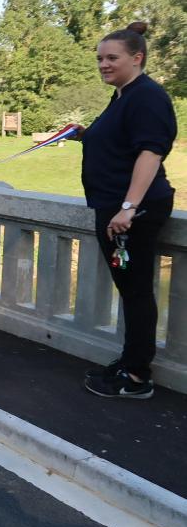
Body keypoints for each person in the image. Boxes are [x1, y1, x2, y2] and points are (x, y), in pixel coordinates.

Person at [79, 22, 177, 399]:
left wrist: (129, 207)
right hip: (116, 207)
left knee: (136, 291)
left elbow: (150, 153)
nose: (103, 64)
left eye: (112, 58)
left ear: (137, 58)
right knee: (130, 289)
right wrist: (85, 134)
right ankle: (130, 361)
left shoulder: (147, 96)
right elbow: (120, 142)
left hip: (132, 211)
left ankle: (137, 375)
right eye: (100, 58)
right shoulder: (123, 95)